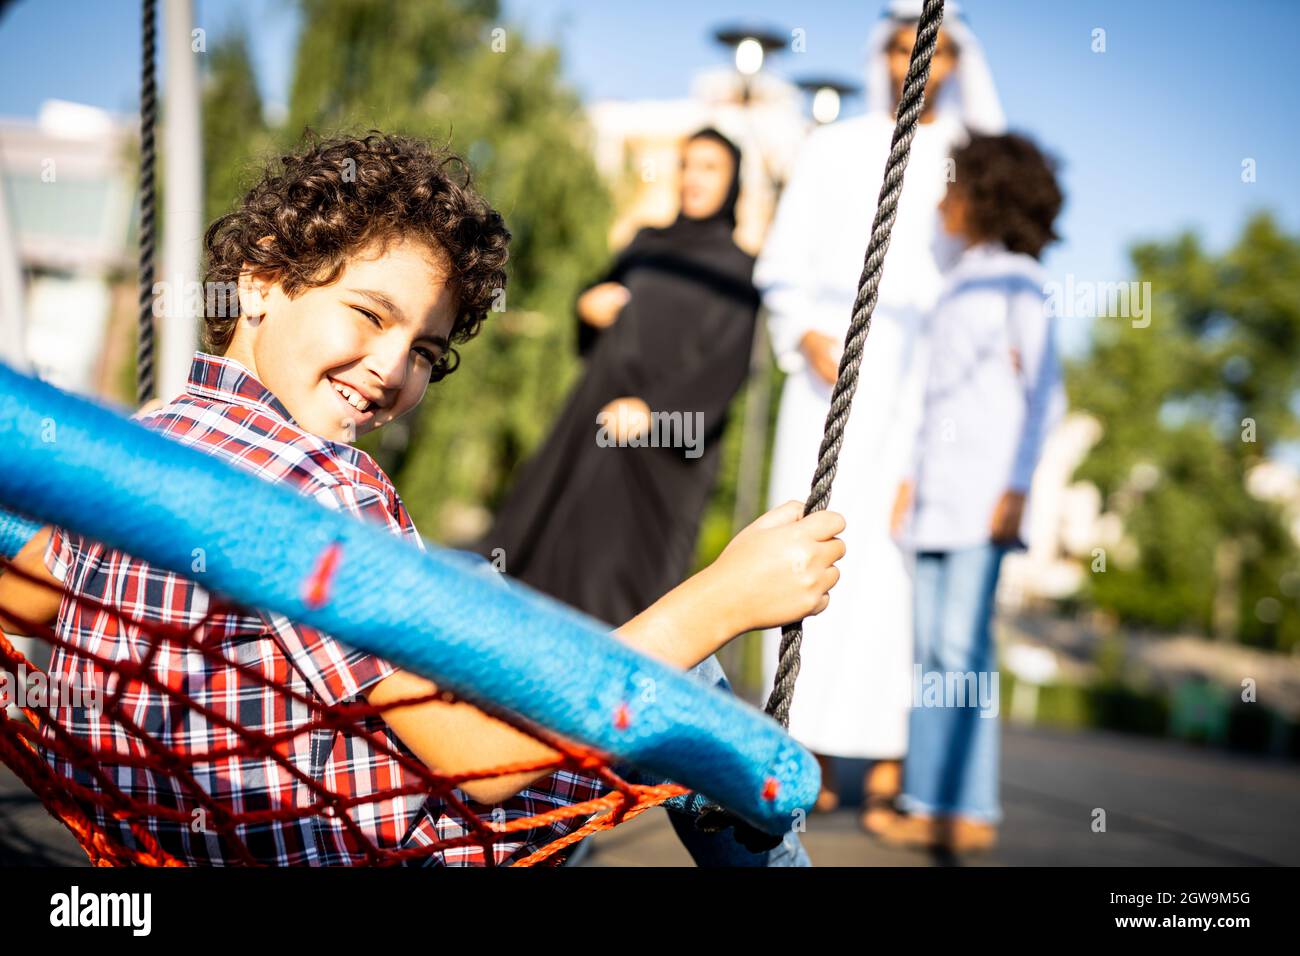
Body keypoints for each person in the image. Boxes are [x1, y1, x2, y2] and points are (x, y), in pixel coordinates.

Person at [0, 133, 846, 866]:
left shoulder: (134, 448)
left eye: (425, 354)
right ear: (259, 281)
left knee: (479, 591)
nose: (390, 368)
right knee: (684, 681)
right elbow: (486, 758)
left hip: (175, 835)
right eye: (369, 314)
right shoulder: (322, 486)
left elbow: (40, 591)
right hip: (387, 844)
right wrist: (724, 598)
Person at [757, 0, 1004, 833]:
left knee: (897, 580)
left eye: (929, 51)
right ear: (884, 57)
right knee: (815, 547)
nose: (914, 64)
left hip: (923, 400)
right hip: (827, 379)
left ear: (956, 64)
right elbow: (782, 267)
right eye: (901, 49)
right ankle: (808, 757)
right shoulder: (834, 147)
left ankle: (900, 765)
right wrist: (806, 335)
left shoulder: (971, 164)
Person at [475, 128, 759, 629]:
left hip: (663, 444)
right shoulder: (648, 244)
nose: (694, 178)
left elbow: (725, 368)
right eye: (688, 165)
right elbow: (598, 297)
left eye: (710, 168)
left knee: (610, 579)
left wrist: (653, 414)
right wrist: (588, 306)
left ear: (734, 181)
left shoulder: (738, 271)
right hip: (595, 414)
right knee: (544, 542)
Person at [883, 132, 1066, 854]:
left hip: (984, 499)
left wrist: (1018, 487)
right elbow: (936, 399)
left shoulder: (1019, 281)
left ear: (986, 195)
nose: (939, 201)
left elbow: (1044, 394)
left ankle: (975, 807)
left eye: (951, 187)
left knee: (962, 652)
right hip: (935, 498)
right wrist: (909, 477)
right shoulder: (955, 281)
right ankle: (927, 798)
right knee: (929, 652)